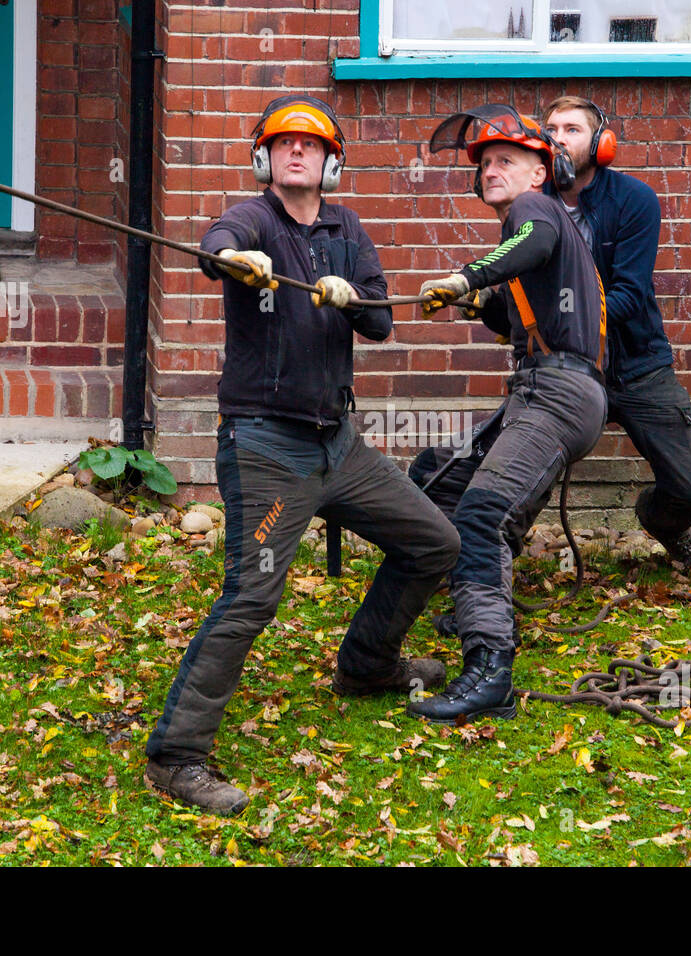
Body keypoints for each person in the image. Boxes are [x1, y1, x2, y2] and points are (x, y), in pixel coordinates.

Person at [144, 95, 460, 813]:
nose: (296, 153)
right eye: (283, 144)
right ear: (265, 158)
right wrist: (238, 260)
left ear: (329, 162)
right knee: (253, 593)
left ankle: (367, 664)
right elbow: (214, 244)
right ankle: (176, 756)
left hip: (337, 445)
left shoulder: (348, 229)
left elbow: (380, 320)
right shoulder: (252, 218)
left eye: (310, 146)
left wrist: (349, 300)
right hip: (265, 448)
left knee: (435, 541)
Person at [405, 105, 608, 724]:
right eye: (486, 164)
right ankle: (475, 601)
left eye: (506, 162)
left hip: (559, 395)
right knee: (439, 476)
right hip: (544, 391)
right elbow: (516, 304)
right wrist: (474, 303)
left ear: (540, 173)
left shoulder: (535, 213)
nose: (492, 171)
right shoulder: (541, 231)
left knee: (485, 514)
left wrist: (465, 278)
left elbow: (531, 244)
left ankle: (490, 672)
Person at [543, 95, 691, 571]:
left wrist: (560, 315)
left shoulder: (634, 200)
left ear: (602, 144)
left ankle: (662, 522)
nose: (557, 138)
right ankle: (489, 559)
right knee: (519, 477)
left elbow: (628, 294)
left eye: (572, 129)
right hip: (565, 369)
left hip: (640, 364)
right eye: (551, 129)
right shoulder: (531, 208)